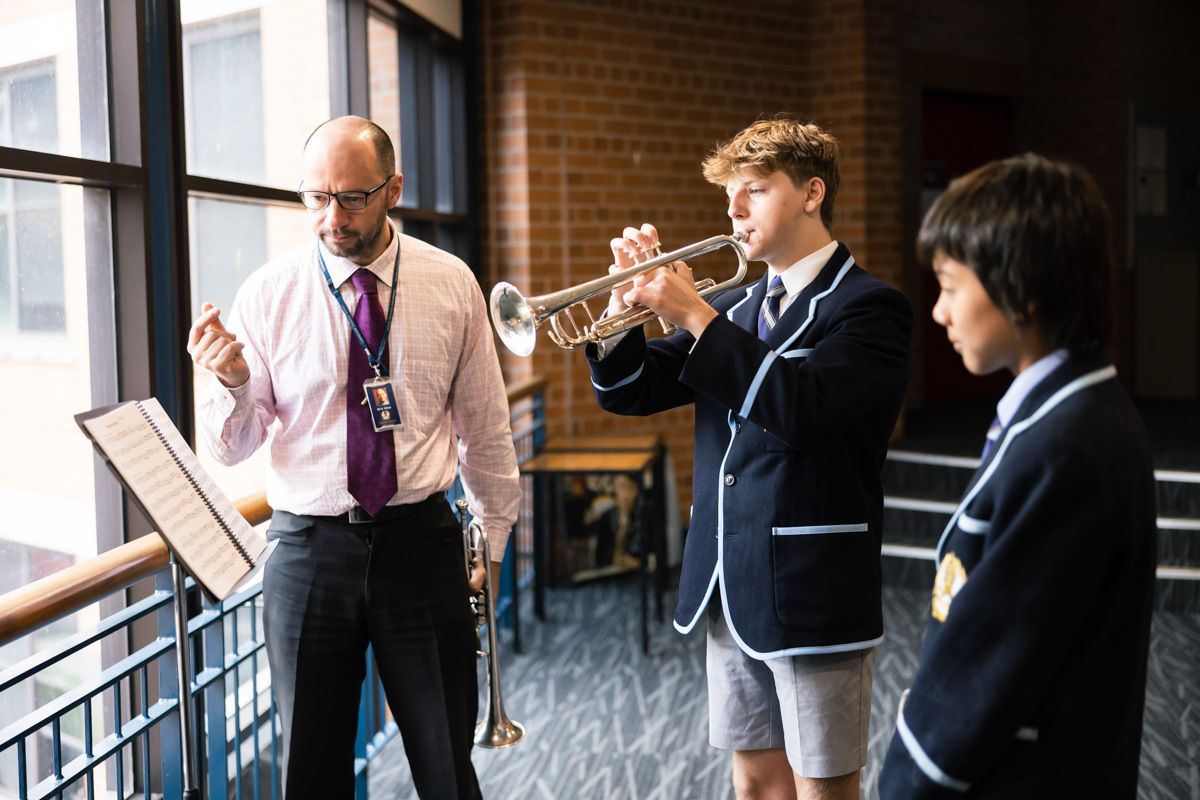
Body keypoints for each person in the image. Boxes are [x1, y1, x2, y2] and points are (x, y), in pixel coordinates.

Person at [186, 116, 520, 800]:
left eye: (352, 197)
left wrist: (495, 539)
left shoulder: (452, 283)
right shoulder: (268, 293)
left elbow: (484, 429)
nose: (330, 217)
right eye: (315, 197)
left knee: (445, 766)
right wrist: (227, 383)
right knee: (310, 772)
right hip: (307, 552)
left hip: (422, 543)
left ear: (393, 189)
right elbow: (231, 448)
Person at [584, 117, 912, 800]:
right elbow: (632, 391)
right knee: (756, 783)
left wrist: (697, 319)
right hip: (728, 582)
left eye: (754, 191)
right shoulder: (735, 304)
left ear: (812, 192)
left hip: (812, 583)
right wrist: (622, 314)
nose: (733, 211)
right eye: (729, 193)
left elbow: (804, 408)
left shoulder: (870, 308)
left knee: (824, 788)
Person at [877, 154, 1157, 798]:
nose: (939, 313)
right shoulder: (1066, 411)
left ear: (1023, 288)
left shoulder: (1065, 447)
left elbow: (987, 671)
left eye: (949, 285)